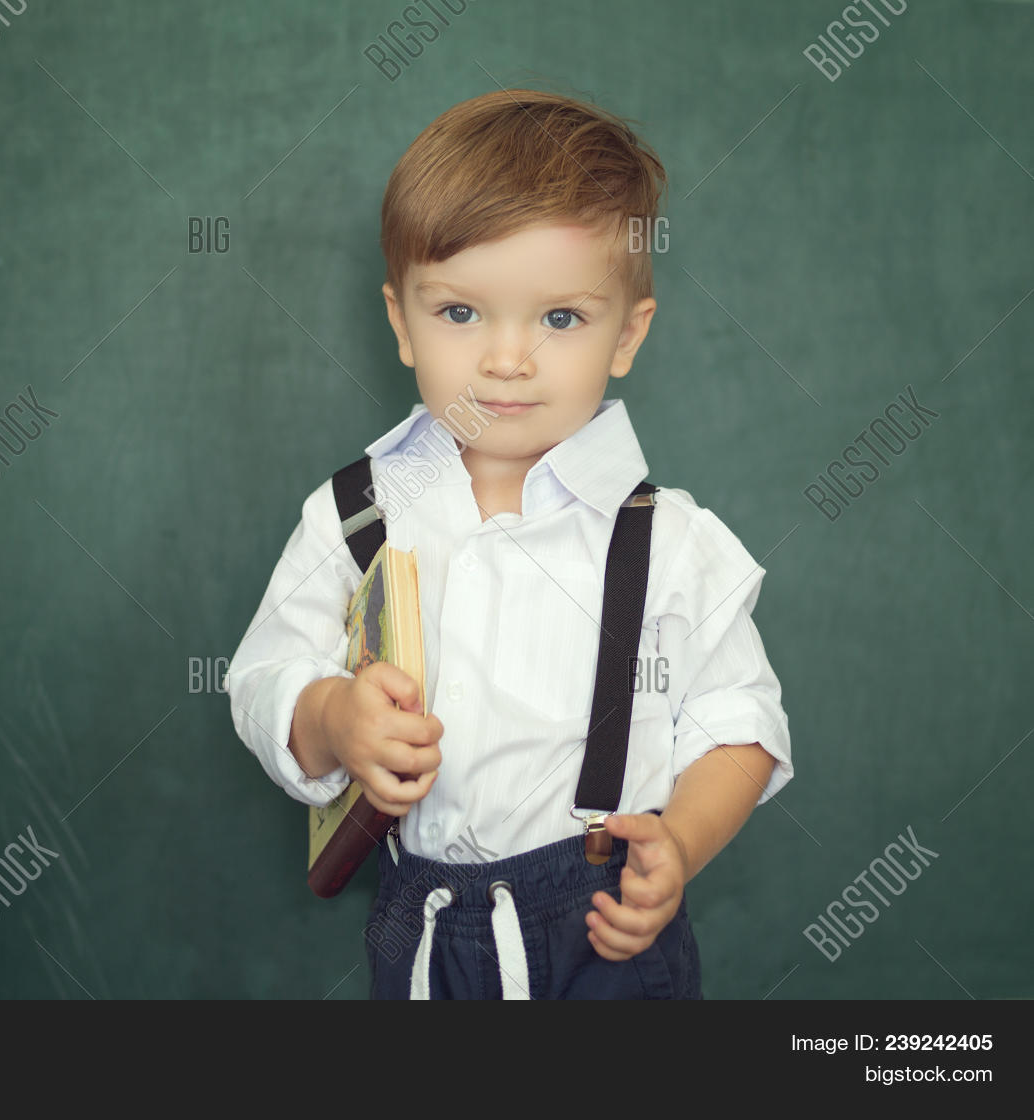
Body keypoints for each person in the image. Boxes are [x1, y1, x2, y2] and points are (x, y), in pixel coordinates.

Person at [226, 89, 792, 999]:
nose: (507, 358)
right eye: (460, 313)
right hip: (424, 932)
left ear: (627, 334)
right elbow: (260, 677)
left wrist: (680, 840)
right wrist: (332, 715)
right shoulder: (358, 512)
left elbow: (740, 724)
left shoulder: (672, 542)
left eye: (560, 318)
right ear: (402, 322)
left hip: (606, 934)